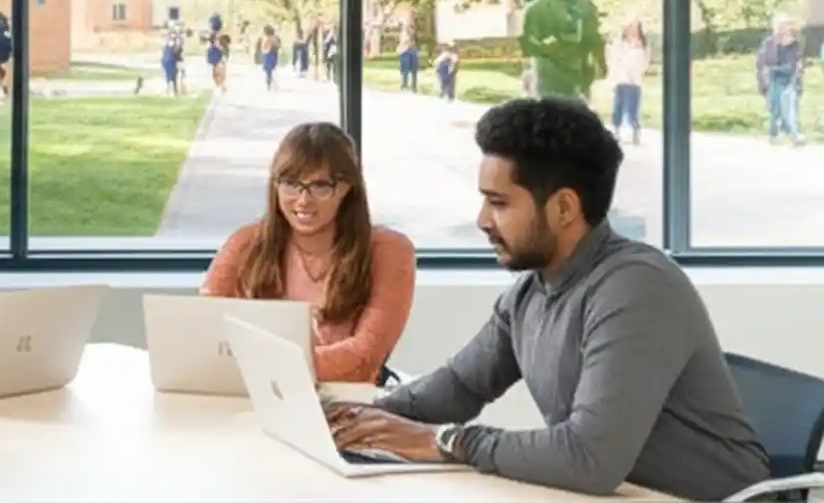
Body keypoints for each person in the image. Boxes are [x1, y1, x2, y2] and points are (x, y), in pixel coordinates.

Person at [325, 98, 769, 500]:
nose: (482, 220)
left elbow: (589, 456)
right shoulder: (531, 292)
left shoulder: (637, 289)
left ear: (564, 208)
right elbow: (461, 386)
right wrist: (351, 419)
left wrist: (445, 441)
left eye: (498, 203)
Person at [201, 122, 415, 384]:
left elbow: (363, 358)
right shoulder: (245, 243)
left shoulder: (390, 252)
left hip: (346, 403)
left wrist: (261, 363)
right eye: (291, 184)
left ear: (346, 188)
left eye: (320, 186)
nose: (303, 200)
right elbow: (204, 335)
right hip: (253, 397)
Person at [755, 14, 804, 146]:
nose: (781, 29)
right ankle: (774, 134)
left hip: (789, 81)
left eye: (784, 26)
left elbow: (793, 66)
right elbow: (761, 62)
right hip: (773, 81)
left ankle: (794, 136)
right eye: (779, 26)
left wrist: (772, 70)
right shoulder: (768, 43)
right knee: (774, 109)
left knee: (789, 109)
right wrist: (763, 79)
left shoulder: (793, 44)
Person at [607, 20, 649, 145]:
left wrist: (635, 73)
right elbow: (614, 59)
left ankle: (635, 132)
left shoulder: (643, 46)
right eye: (630, 28)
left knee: (632, 109)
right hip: (620, 80)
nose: (632, 31)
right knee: (617, 107)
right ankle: (616, 132)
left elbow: (644, 63)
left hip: (634, 82)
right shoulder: (620, 45)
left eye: (635, 28)